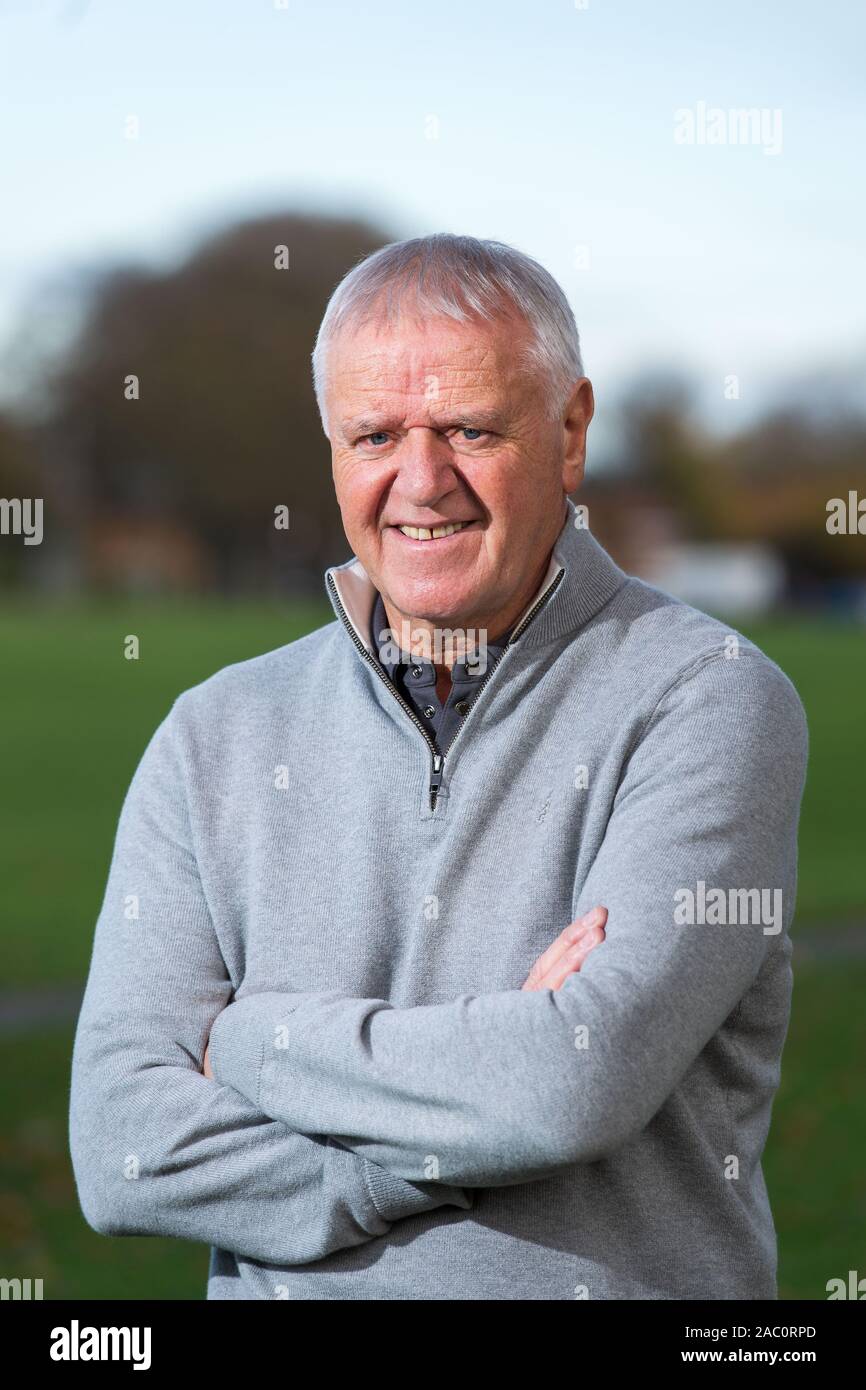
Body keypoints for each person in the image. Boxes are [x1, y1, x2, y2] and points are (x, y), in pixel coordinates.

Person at [69, 233, 808, 1299]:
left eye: (468, 428)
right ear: (330, 447)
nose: (422, 481)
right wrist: (458, 1129)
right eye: (374, 434)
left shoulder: (708, 696)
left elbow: (569, 1084)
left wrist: (245, 1042)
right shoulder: (212, 732)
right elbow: (122, 1148)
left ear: (568, 433)